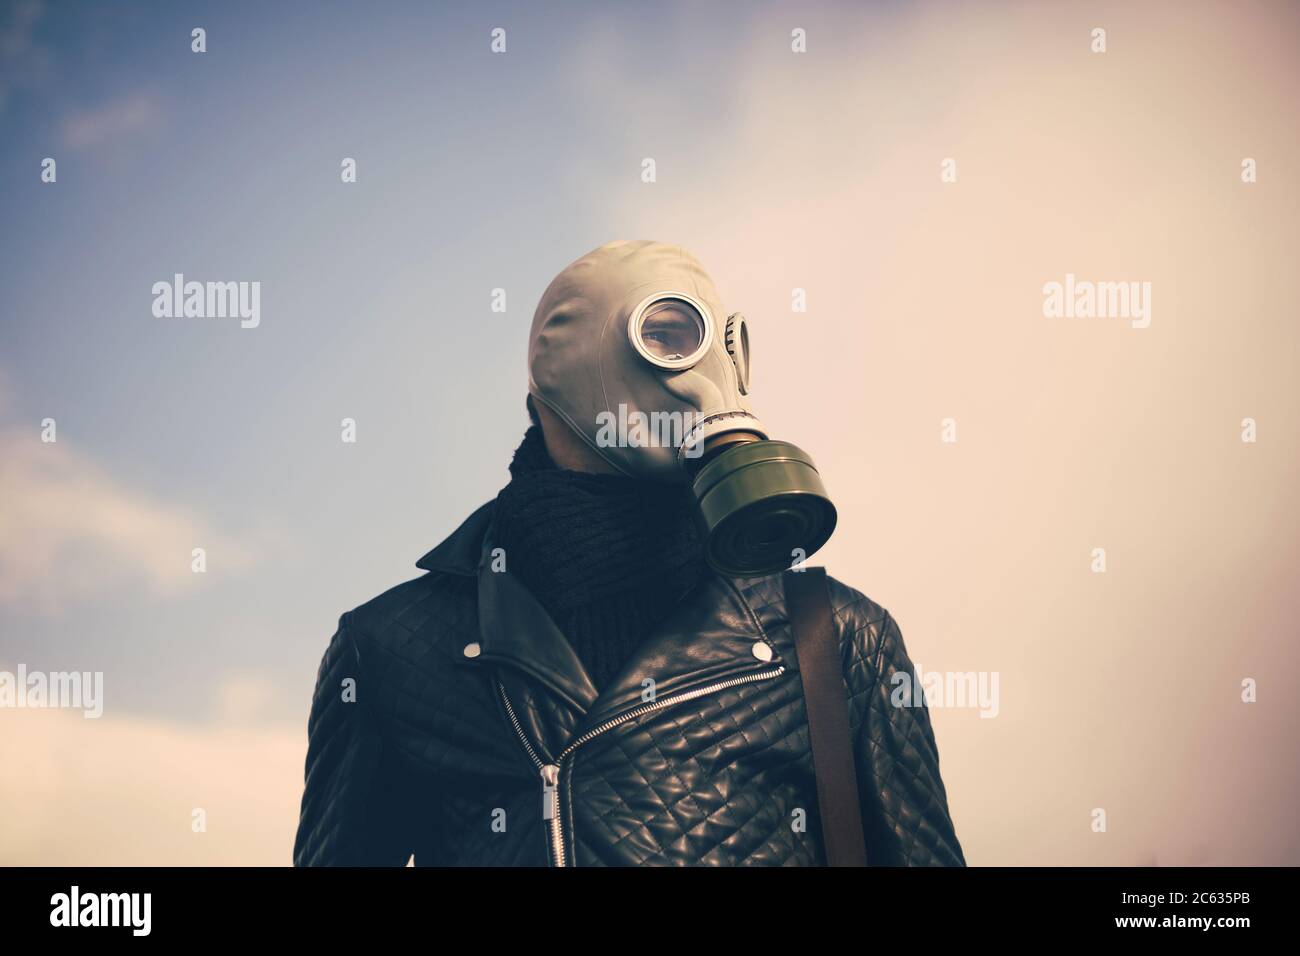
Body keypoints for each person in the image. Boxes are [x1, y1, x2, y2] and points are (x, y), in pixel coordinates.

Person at [293, 240, 964, 866]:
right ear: (561, 369)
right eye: (669, 337)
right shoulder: (391, 649)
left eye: (720, 349)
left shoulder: (836, 641)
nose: (707, 378)